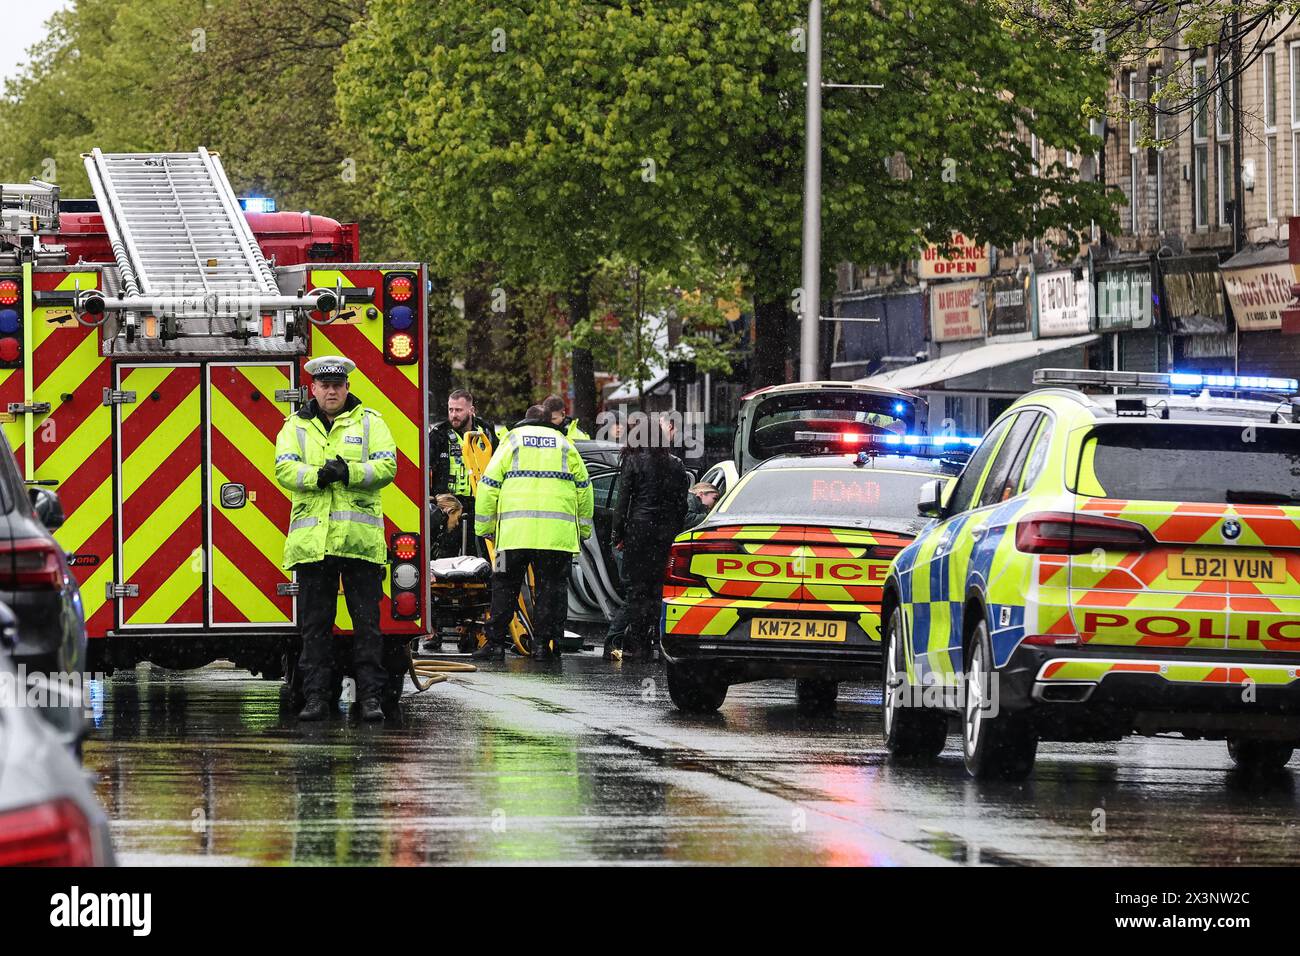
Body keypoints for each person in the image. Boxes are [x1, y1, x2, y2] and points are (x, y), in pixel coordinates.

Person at [274, 355, 397, 722]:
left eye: (337, 386)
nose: (331, 391)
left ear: (347, 388)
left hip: (359, 544)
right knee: (315, 629)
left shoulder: (371, 422)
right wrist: (317, 476)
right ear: (313, 388)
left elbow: (387, 465)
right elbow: (283, 467)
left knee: (367, 629)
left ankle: (370, 698)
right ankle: (316, 699)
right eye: (325, 386)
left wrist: (350, 472)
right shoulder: (295, 425)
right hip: (315, 547)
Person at [471, 404, 594, 662]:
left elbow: (489, 485)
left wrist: (485, 528)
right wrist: (582, 530)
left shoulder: (511, 441)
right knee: (551, 590)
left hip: (514, 536)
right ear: (549, 421)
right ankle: (543, 645)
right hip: (555, 537)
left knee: (504, 586)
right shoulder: (564, 444)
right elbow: (584, 489)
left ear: (524, 421)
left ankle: (494, 644)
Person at [603, 414, 689, 661]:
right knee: (657, 591)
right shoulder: (675, 464)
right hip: (665, 535)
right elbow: (681, 505)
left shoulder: (633, 461)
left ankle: (618, 641)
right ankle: (651, 642)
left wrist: (618, 534)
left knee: (635, 592)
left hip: (639, 532)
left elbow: (623, 502)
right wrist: (674, 530)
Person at [429, 389, 505, 556]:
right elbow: (426, 467)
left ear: (471, 410)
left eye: (458, 410)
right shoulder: (438, 434)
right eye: (451, 410)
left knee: (481, 555)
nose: (454, 415)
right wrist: (432, 497)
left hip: (480, 501)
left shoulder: (486, 432)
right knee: (445, 555)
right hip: (449, 504)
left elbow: (499, 463)